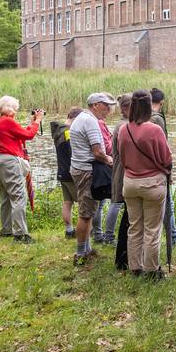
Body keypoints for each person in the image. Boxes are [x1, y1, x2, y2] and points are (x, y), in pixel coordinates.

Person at [117, 90, 173, 279]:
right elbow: (166, 158)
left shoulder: (124, 129)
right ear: (149, 106)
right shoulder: (154, 129)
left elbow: (122, 157)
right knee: (152, 229)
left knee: (134, 227)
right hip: (152, 183)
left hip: (130, 182)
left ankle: (135, 267)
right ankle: (151, 270)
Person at [70, 93, 116, 264]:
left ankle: (87, 248)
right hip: (87, 171)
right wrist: (111, 161)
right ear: (96, 105)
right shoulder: (90, 121)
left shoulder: (81, 117)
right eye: (106, 106)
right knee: (86, 213)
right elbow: (98, 152)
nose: (109, 110)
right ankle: (81, 254)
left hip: (79, 168)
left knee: (88, 211)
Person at [0, 95, 43, 243]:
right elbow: (29, 135)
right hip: (9, 161)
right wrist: (38, 121)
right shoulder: (7, 121)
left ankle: (6, 230)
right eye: (15, 109)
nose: (16, 112)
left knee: (6, 198)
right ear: (9, 108)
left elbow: (21, 135)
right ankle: (20, 234)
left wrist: (32, 123)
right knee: (19, 197)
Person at [150, 87, 176, 249]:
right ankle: (174, 237)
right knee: (168, 204)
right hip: (159, 170)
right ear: (161, 102)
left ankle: (173, 236)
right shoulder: (157, 119)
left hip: (143, 171)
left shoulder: (140, 117)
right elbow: (163, 148)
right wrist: (169, 171)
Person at [51, 107, 83, 239]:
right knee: (83, 203)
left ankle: (69, 230)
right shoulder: (68, 132)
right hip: (71, 173)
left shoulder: (58, 130)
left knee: (67, 202)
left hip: (62, 172)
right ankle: (84, 232)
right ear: (75, 118)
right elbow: (73, 152)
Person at [111, 94, 132, 269]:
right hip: (126, 176)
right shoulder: (124, 127)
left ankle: (123, 258)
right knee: (129, 218)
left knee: (129, 217)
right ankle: (123, 259)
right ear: (125, 109)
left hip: (124, 175)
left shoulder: (122, 125)